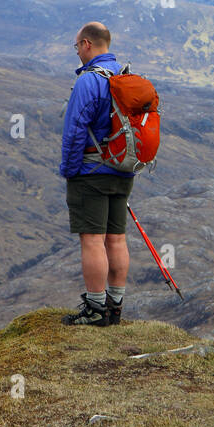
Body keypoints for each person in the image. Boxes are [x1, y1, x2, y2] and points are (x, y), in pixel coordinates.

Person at [59, 22, 135, 326]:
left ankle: (95, 310)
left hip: (91, 171)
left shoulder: (88, 81)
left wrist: (70, 171)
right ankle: (115, 307)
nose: (77, 51)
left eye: (77, 46)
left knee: (92, 239)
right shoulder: (125, 75)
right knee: (116, 239)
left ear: (87, 44)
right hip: (123, 171)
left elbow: (75, 130)